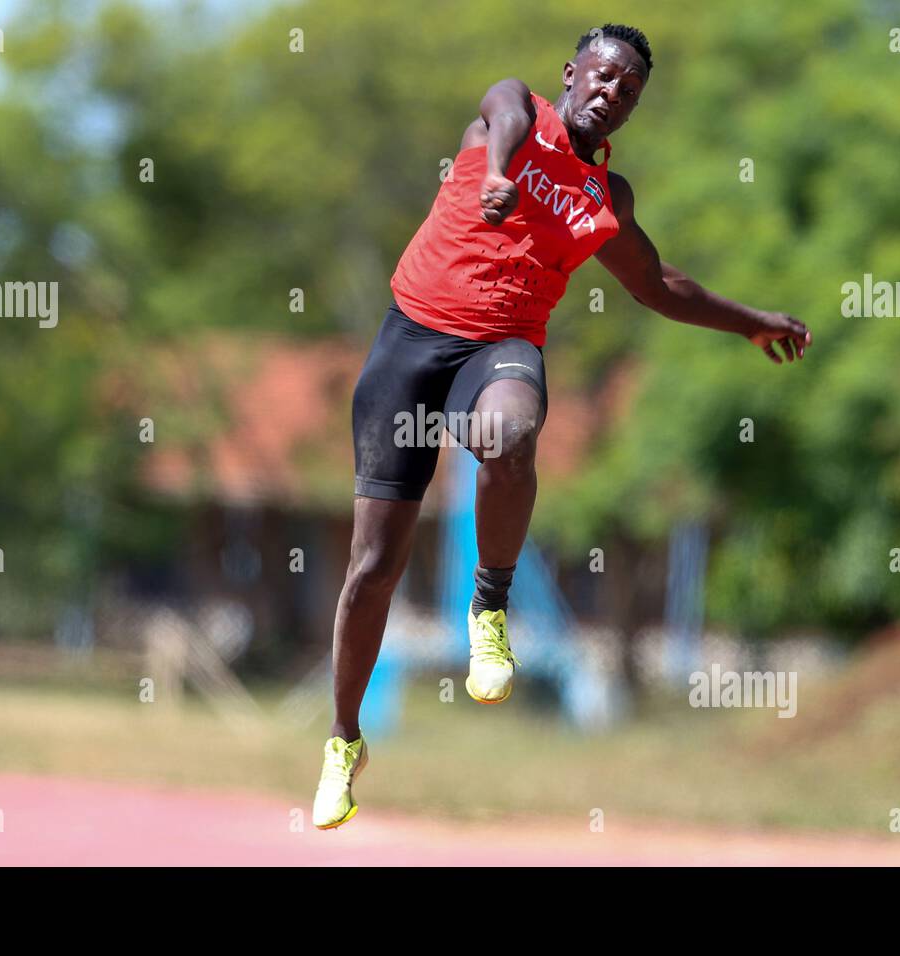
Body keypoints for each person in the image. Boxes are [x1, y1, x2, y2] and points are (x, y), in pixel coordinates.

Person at [313, 22, 812, 829]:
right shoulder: (512, 112)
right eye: (604, 76)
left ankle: (489, 608)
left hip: (502, 347)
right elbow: (501, 113)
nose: (612, 94)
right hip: (411, 344)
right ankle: (343, 741)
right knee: (372, 568)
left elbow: (658, 284)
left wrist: (752, 320)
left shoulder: (604, 200)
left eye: (631, 91)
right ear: (573, 72)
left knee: (509, 435)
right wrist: (502, 173)